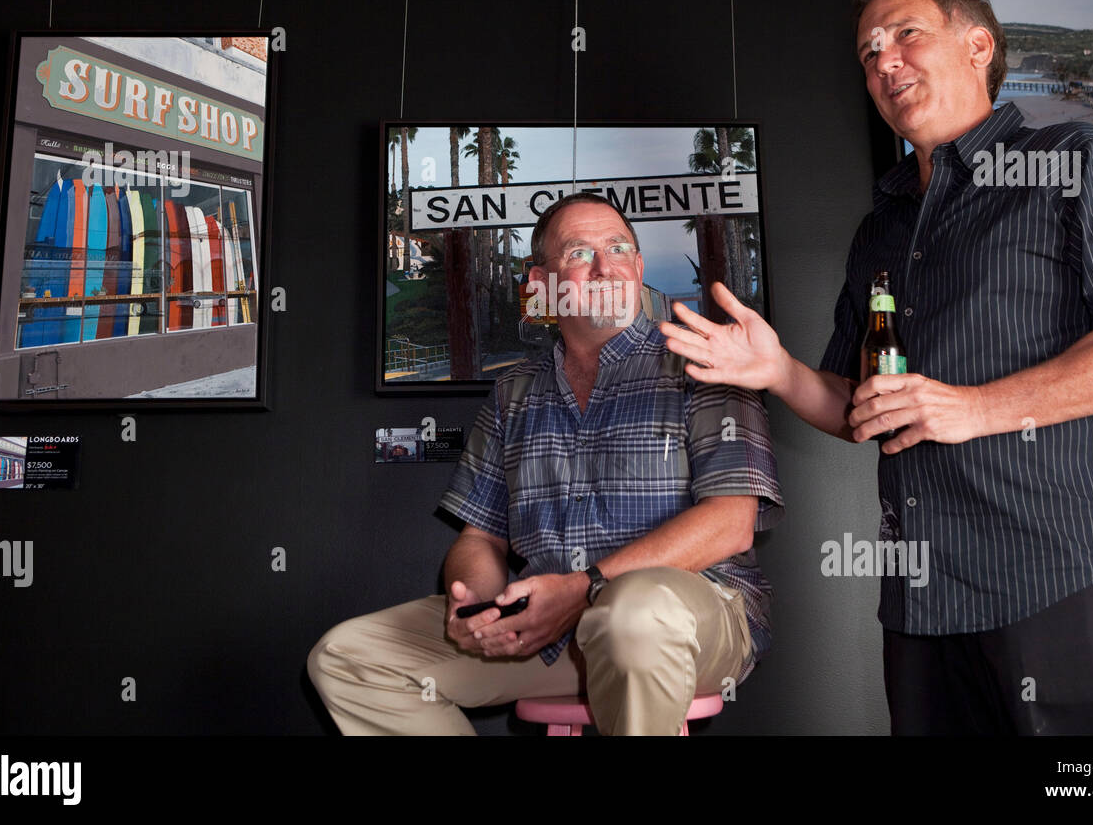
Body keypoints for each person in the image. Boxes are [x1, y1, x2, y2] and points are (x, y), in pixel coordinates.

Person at [660, 0, 1093, 734]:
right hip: (922, 605)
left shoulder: (1077, 162)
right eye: (867, 53)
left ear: (978, 46)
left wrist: (975, 408)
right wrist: (781, 373)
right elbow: (864, 409)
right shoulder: (881, 229)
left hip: (1064, 585)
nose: (883, 61)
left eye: (905, 35)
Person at [309, 193, 784, 735]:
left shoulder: (706, 361)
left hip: (694, 620)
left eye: (618, 248)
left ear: (639, 268)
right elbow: (480, 539)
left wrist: (583, 588)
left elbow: (730, 521)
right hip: (553, 631)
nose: (605, 266)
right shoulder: (514, 390)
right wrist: (480, 604)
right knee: (348, 657)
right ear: (540, 282)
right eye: (580, 252)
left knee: (632, 614)